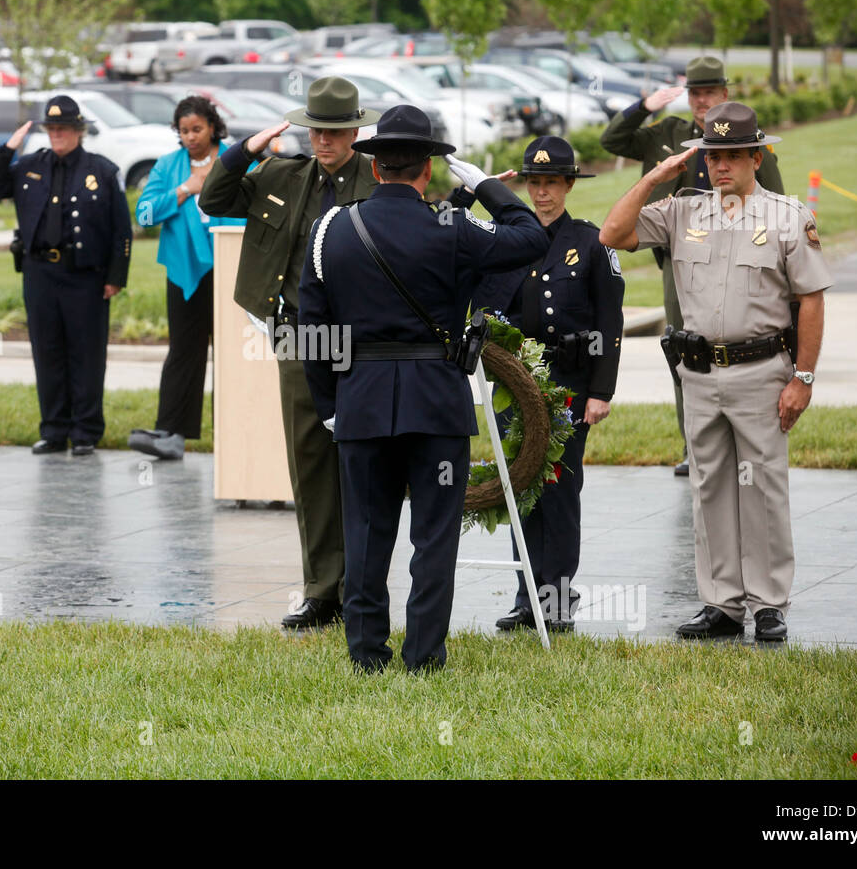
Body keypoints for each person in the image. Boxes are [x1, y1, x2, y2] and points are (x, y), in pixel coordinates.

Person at [299, 105, 548, 672]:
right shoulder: (452, 226)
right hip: (435, 402)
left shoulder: (330, 228)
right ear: (429, 168)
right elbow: (530, 236)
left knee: (364, 531)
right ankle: (424, 657)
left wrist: (331, 407)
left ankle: (365, 655)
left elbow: (310, 331)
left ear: (376, 165)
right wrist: (482, 183)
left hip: (360, 401)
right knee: (434, 536)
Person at [600, 101, 832, 643]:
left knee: (764, 489)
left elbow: (812, 300)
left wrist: (804, 378)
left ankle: (769, 602)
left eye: (732, 155)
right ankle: (722, 604)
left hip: (761, 371)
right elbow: (612, 233)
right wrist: (657, 175)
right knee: (709, 490)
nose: (720, 165)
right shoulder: (682, 211)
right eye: (711, 155)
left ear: (755, 156)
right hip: (700, 374)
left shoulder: (787, 216)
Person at [199, 77, 379, 630]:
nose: (323, 141)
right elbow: (214, 198)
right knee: (310, 462)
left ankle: (361, 589)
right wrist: (248, 148)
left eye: (334, 131)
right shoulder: (281, 174)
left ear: (354, 131)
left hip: (362, 340)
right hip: (301, 337)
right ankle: (321, 588)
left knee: (363, 463)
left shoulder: (376, 186)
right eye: (315, 130)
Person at [601, 57, 785, 476]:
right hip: (680, 261)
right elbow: (612, 140)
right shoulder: (668, 134)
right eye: (695, 93)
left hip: (738, 261)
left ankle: (742, 438)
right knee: (684, 348)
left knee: (740, 344)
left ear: (725, 94)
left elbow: (775, 201)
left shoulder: (750, 145)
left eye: (710, 92)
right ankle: (693, 444)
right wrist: (645, 105)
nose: (702, 100)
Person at [469, 136, 624, 633]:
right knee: (521, 489)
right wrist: (478, 190)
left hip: (568, 383)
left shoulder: (591, 242)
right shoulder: (504, 239)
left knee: (559, 490)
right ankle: (526, 596)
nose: (542, 194)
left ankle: (555, 597)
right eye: (534, 184)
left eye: (552, 183)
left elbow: (609, 322)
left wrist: (601, 391)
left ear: (569, 184)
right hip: (516, 385)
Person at [0, 95, 131, 456]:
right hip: (40, 273)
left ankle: (85, 431)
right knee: (47, 352)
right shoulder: (30, 166)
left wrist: (116, 276)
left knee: (86, 354)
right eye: (52, 129)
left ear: (78, 131)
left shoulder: (102, 170)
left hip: (85, 275)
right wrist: (7, 150)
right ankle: (53, 430)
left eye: (63, 128)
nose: (57, 135)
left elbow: (120, 230)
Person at [128, 96, 245, 461]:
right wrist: (185, 189)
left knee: (235, 356)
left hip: (234, 270)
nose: (191, 137)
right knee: (183, 352)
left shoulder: (236, 161)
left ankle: (239, 433)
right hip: (185, 272)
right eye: (184, 130)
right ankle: (171, 435)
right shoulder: (168, 166)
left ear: (213, 127)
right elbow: (145, 214)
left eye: (197, 129)